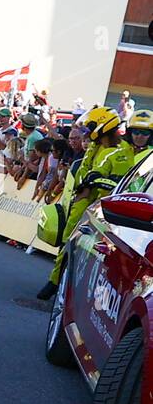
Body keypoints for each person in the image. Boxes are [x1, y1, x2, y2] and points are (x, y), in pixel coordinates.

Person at [38, 107, 136, 299]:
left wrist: (94, 182)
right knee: (67, 243)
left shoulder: (122, 152)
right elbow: (84, 172)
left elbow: (114, 183)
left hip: (103, 211)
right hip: (81, 202)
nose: (87, 131)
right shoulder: (94, 146)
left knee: (91, 253)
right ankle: (56, 281)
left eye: (90, 126)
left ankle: (67, 288)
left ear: (103, 126)